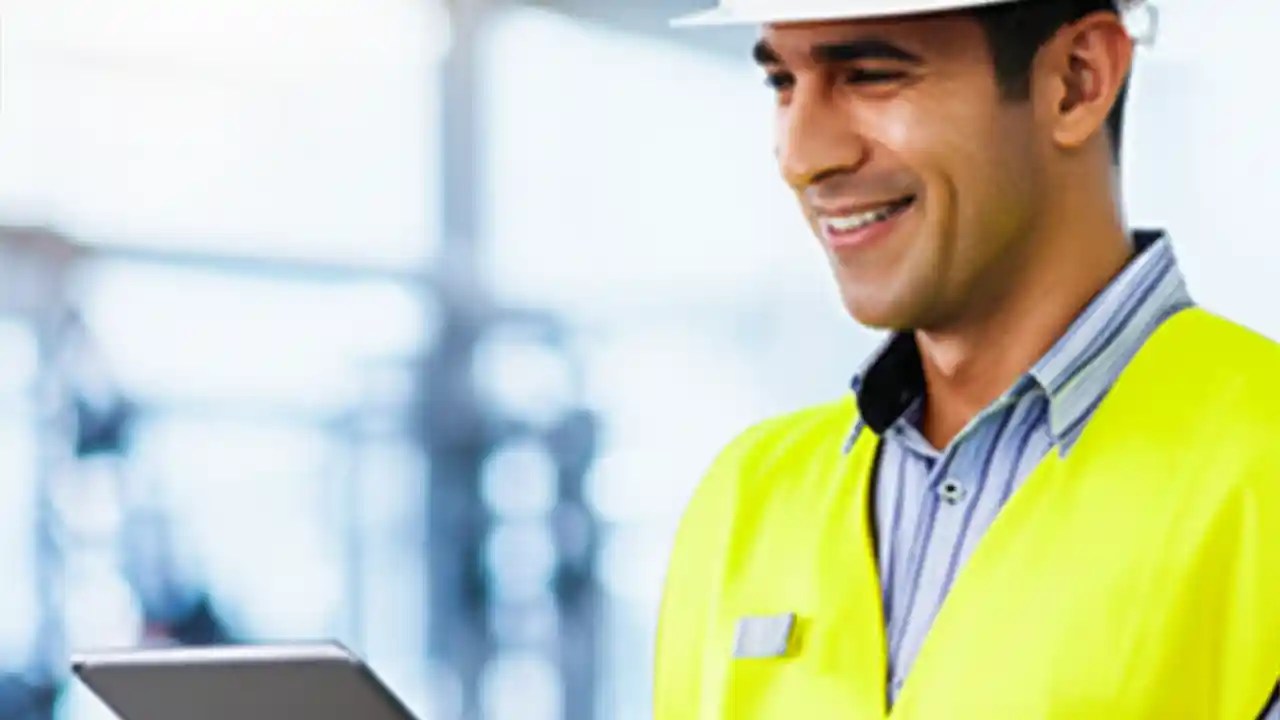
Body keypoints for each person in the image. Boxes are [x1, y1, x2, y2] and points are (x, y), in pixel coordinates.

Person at [655, 0, 1280, 717]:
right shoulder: (743, 499)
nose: (803, 157)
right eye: (783, 85)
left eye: (870, 74)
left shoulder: (1264, 466)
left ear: (1077, 81)